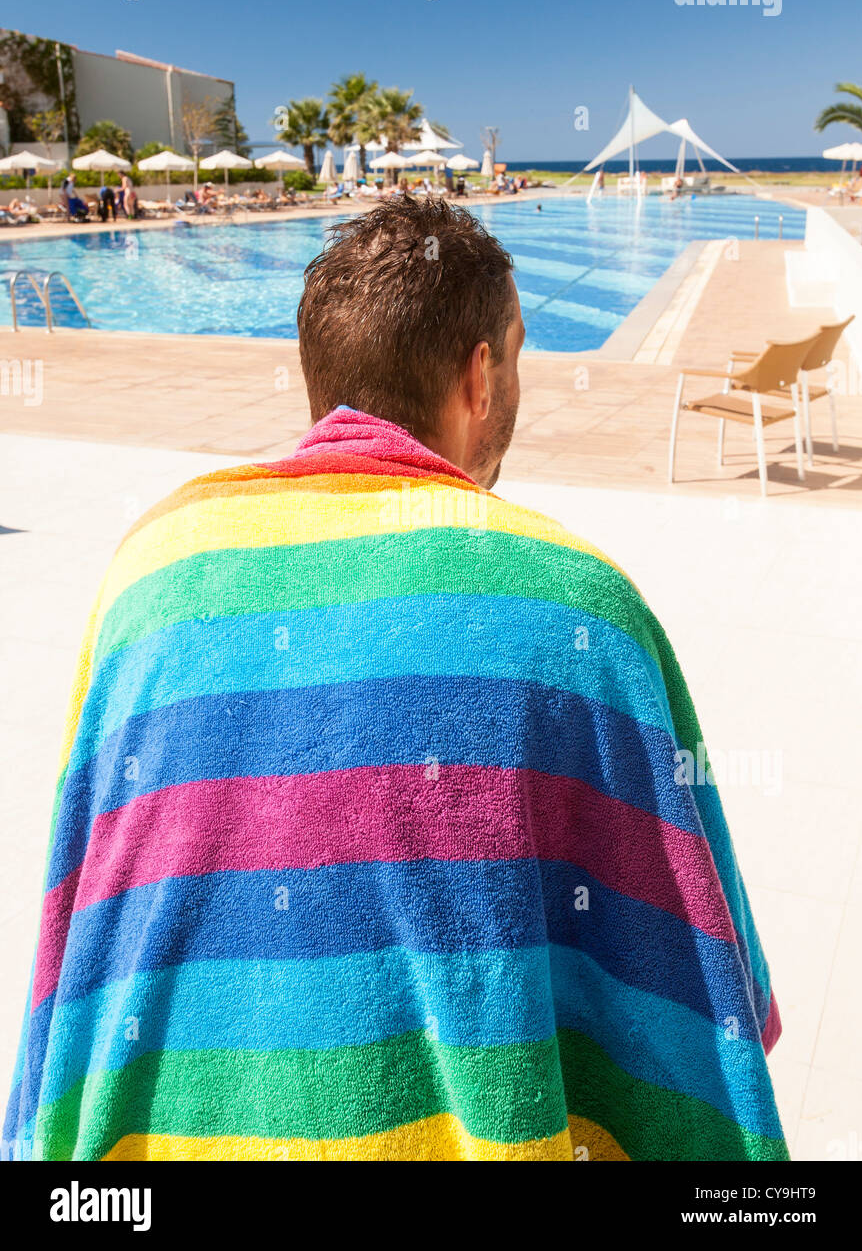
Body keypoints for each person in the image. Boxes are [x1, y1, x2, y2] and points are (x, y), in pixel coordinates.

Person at [4, 196, 786, 1164]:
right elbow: (695, 968)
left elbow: (86, 876)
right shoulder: (574, 605)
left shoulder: (154, 567)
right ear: (482, 371)